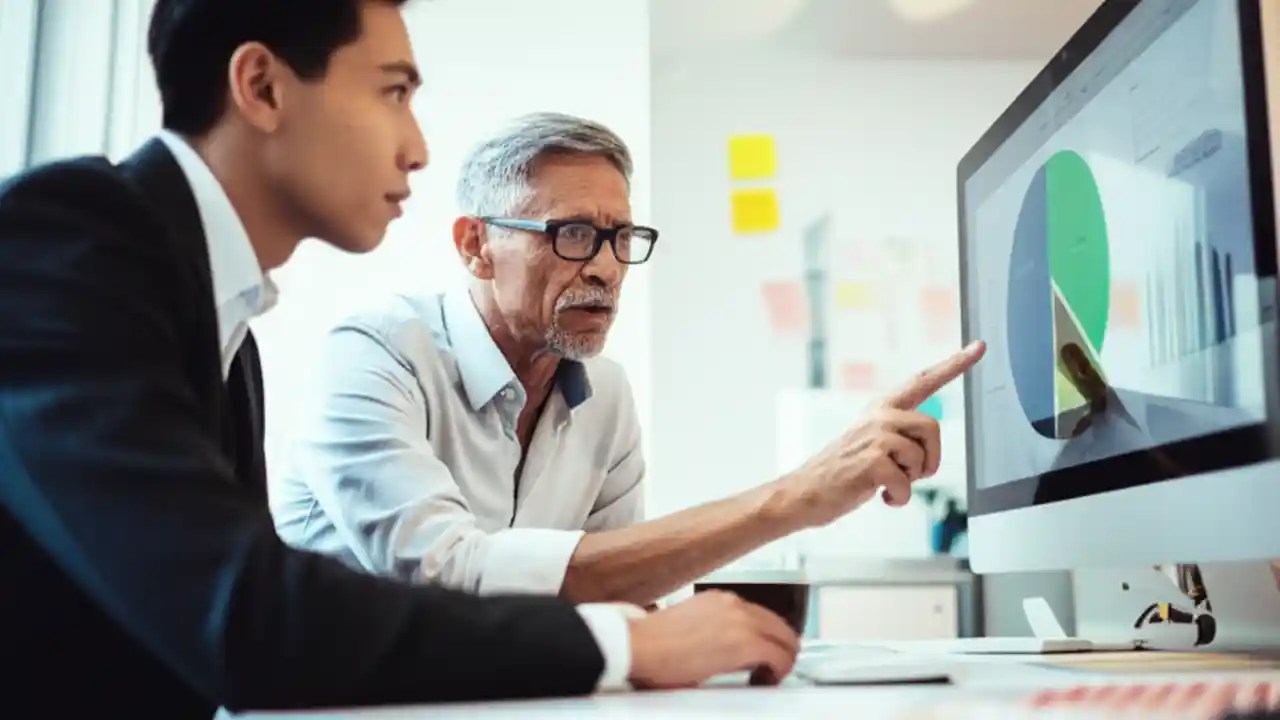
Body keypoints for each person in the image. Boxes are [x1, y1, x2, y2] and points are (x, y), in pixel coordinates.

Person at [0, 1, 817, 716]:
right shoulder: (72, 235)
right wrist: (622, 645)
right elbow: (246, 613)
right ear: (262, 86)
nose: (418, 149)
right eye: (394, 91)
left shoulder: (228, 326)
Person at [272, 111, 987, 606]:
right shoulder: (373, 356)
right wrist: (794, 498)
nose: (607, 269)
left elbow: (619, 596)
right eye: (575, 233)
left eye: (621, 238)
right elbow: (444, 576)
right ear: (474, 245)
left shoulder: (603, 396)